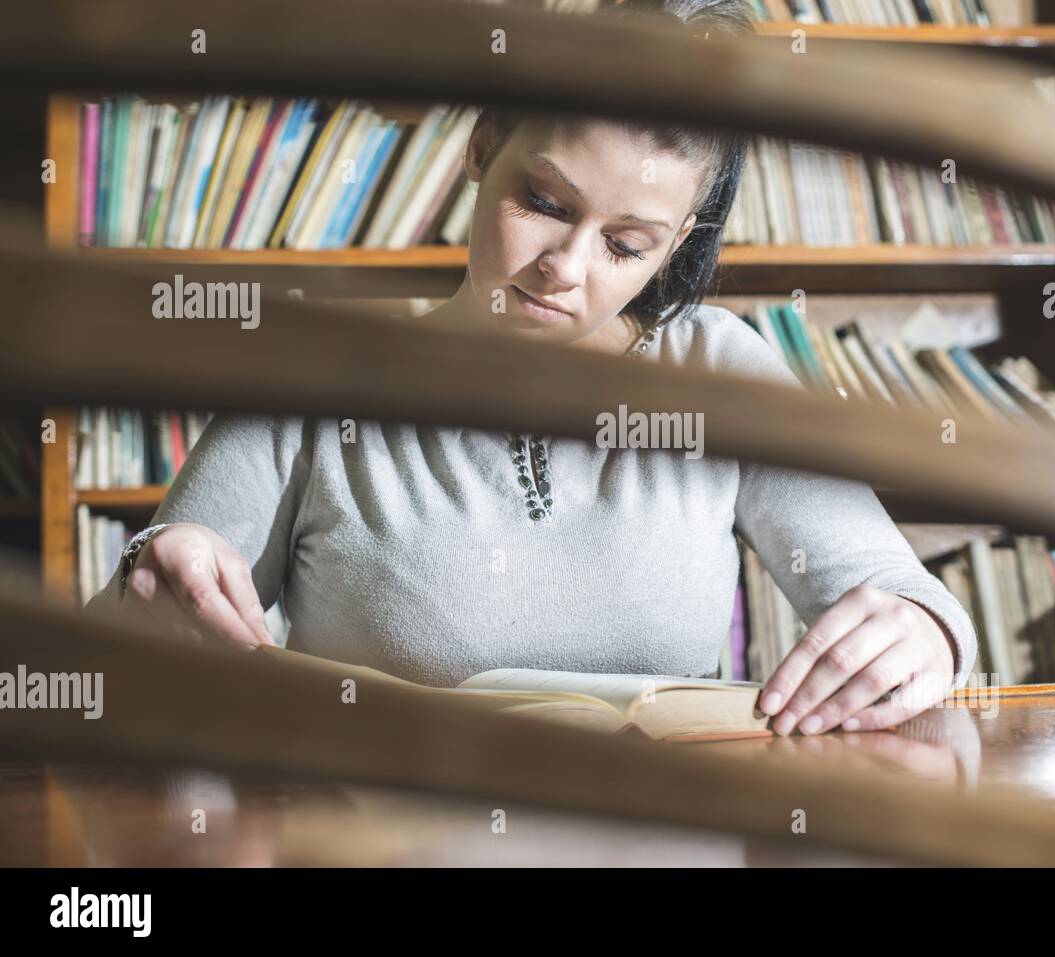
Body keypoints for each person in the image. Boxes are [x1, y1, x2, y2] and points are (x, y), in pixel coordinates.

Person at [88, 0, 977, 736]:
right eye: (543, 202)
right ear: (482, 149)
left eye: (628, 245)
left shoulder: (720, 373)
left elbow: (898, 590)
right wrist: (151, 588)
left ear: (674, 250)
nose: (567, 267)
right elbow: (112, 659)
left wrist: (930, 632)